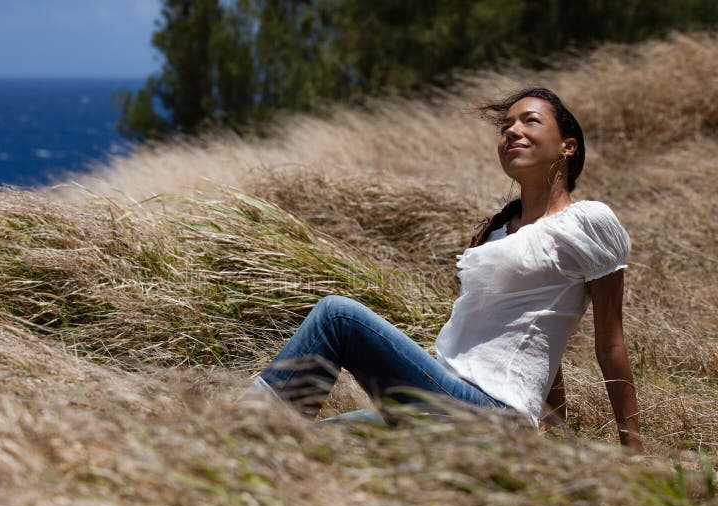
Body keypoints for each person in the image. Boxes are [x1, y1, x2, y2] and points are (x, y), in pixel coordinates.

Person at [243, 87, 645, 455]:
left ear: (568, 146)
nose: (512, 132)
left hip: (488, 415)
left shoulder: (587, 221)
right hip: (443, 395)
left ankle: (235, 433)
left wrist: (634, 454)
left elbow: (610, 344)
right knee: (309, 445)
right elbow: (539, 341)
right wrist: (557, 431)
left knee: (338, 316)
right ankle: (239, 453)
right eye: (506, 127)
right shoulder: (500, 231)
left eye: (530, 121)